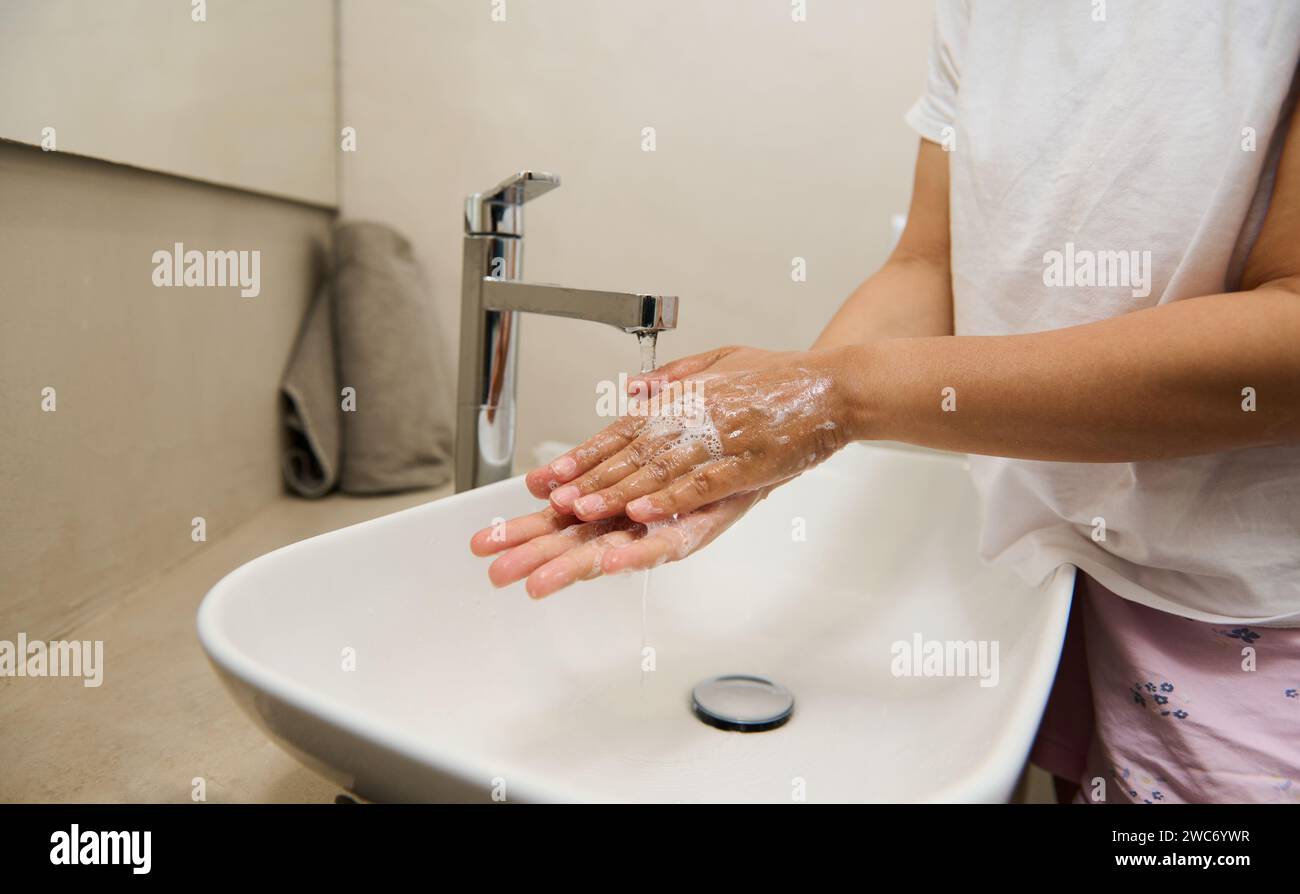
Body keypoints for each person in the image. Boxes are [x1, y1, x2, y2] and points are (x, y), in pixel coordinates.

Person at [470, 1, 1300, 803]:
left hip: (1243, 617)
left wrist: (839, 395)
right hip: (1053, 569)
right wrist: (775, 434)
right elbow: (928, 265)